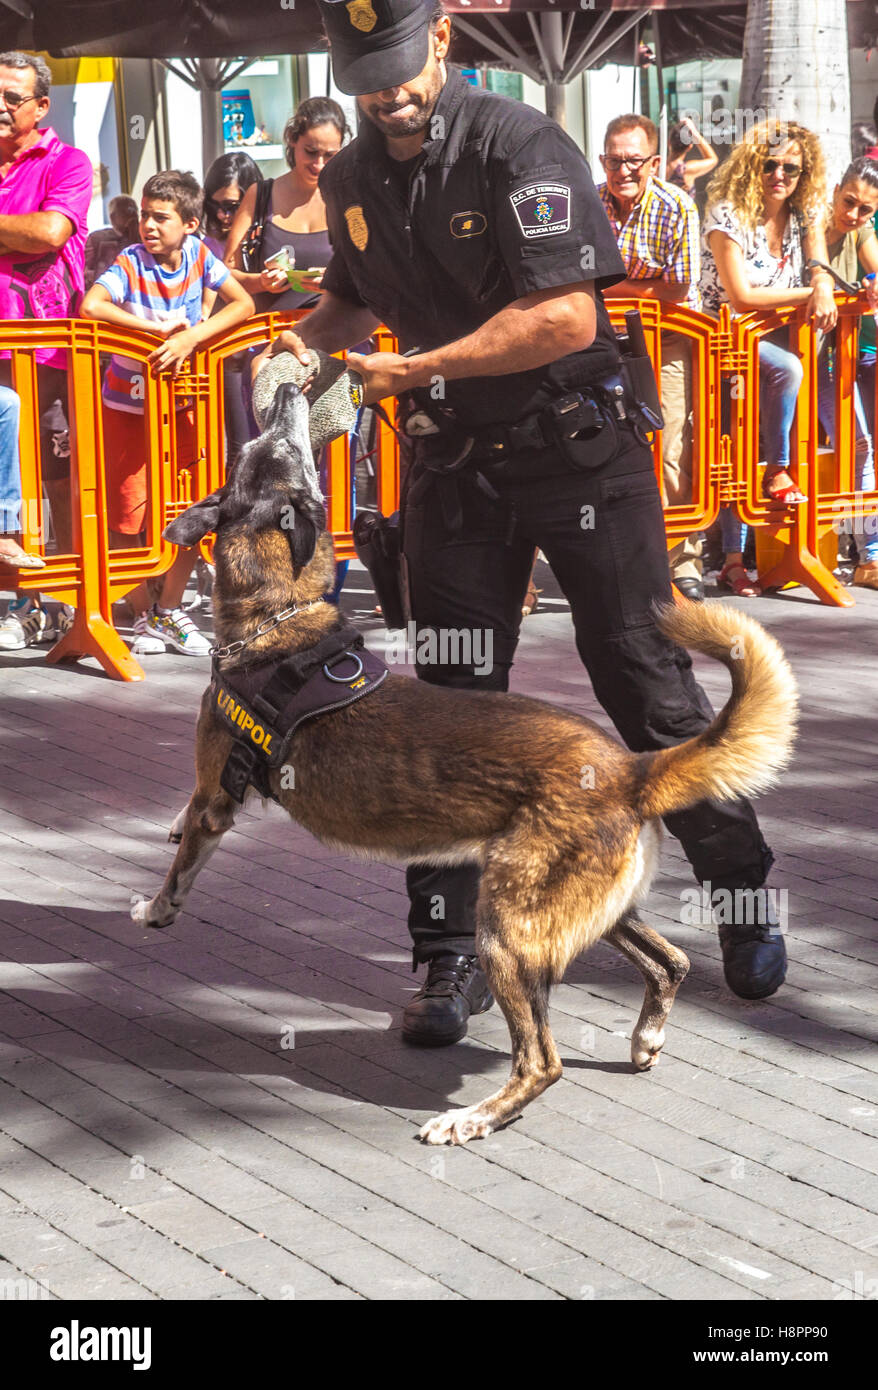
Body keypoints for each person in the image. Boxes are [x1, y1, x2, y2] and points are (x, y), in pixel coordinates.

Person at [264, 0, 789, 1043]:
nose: (390, 92)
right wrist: (285, 348)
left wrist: (418, 365)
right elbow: (346, 304)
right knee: (449, 706)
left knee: (643, 677)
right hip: (453, 466)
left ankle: (740, 893)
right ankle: (444, 961)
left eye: (403, 67)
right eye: (369, 75)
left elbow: (564, 315)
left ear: (442, 44)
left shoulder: (521, 143)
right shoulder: (358, 172)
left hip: (576, 450)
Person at [80, 170, 254, 656]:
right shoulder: (130, 261)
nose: (148, 226)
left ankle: (169, 610)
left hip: (183, 405)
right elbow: (92, 305)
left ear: (192, 224)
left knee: (191, 508)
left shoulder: (202, 255)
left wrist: (190, 336)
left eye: (161, 217)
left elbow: (242, 303)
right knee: (128, 513)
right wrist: (148, 330)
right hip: (127, 408)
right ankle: (139, 615)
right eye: (144, 215)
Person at [700, 119, 837, 596]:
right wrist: (812, 292)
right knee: (731, 444)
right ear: (751, 164)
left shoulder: (803, 212)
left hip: (776, 338)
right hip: (724, 341)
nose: (780, 174)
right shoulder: (727, 211)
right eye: (770, 164)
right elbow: (738, 296)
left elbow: (819, 262)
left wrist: (821, 280)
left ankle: (757, 553)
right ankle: (734, 557)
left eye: (792, 169)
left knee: (745, 444)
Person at [0, 50, 92, 652]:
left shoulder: (70, 162)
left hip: (49, 351)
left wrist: (26, 229)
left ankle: (61, 600)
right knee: (7, 474)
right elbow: (25, 231)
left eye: (11, 98)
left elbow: (50, 232)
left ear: (40, 106)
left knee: (54, 478)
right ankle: (16, 602)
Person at [597, 114, 705, 601]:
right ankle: (613, 557)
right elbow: (575, 276)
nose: (624, 170)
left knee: (669, 447)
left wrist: (609, 284)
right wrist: (645, 287)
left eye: (634, 161)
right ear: (602, 161)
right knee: (595, 446)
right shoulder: (585, 204)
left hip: (671, 340)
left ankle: (683, 561)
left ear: (655, 162)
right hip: (600, 342)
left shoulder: (677, 204)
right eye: (615, 160)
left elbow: (679, 288)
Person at [225, 97, 346, 316]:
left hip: (338, 337)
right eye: (311, 151)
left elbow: (376, 273)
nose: (319, 164)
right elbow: (225, 275)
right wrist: (261, 282)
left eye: (330, 155)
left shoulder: (349, 198)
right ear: (292, 139)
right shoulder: (259, 196)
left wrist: (337, 279)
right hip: (268, 335)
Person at [818, 157, 878, 589]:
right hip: (788, 355)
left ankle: (869, 556)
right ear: (836, 189)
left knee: (859, 444)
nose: (853, 214)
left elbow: (875, 263)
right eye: (849, 201)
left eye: (865, 209)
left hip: (831, 358)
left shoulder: (860, 230)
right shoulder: (811, 222)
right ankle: (734, 556)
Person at [200, 151, 262, 466]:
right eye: (216, 206)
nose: (224, 216)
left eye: (232, 206)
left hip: (257, 355)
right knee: (231, 454)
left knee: (254, 450)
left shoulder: (267, 237)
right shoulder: (202, 244)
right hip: (218, 360)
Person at [83, 194, 139, 289]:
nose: (131, 215)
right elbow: (85, 270)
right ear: (113, 217)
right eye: (125, 211)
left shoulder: (144, 238)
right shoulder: (97, 238)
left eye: (133, 211)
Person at [666, 116, 718, 196]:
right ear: (690, 146)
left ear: (668, 142)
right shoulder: (686, 170)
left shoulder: (656, 166)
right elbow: (713, 159)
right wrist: (695, 134)